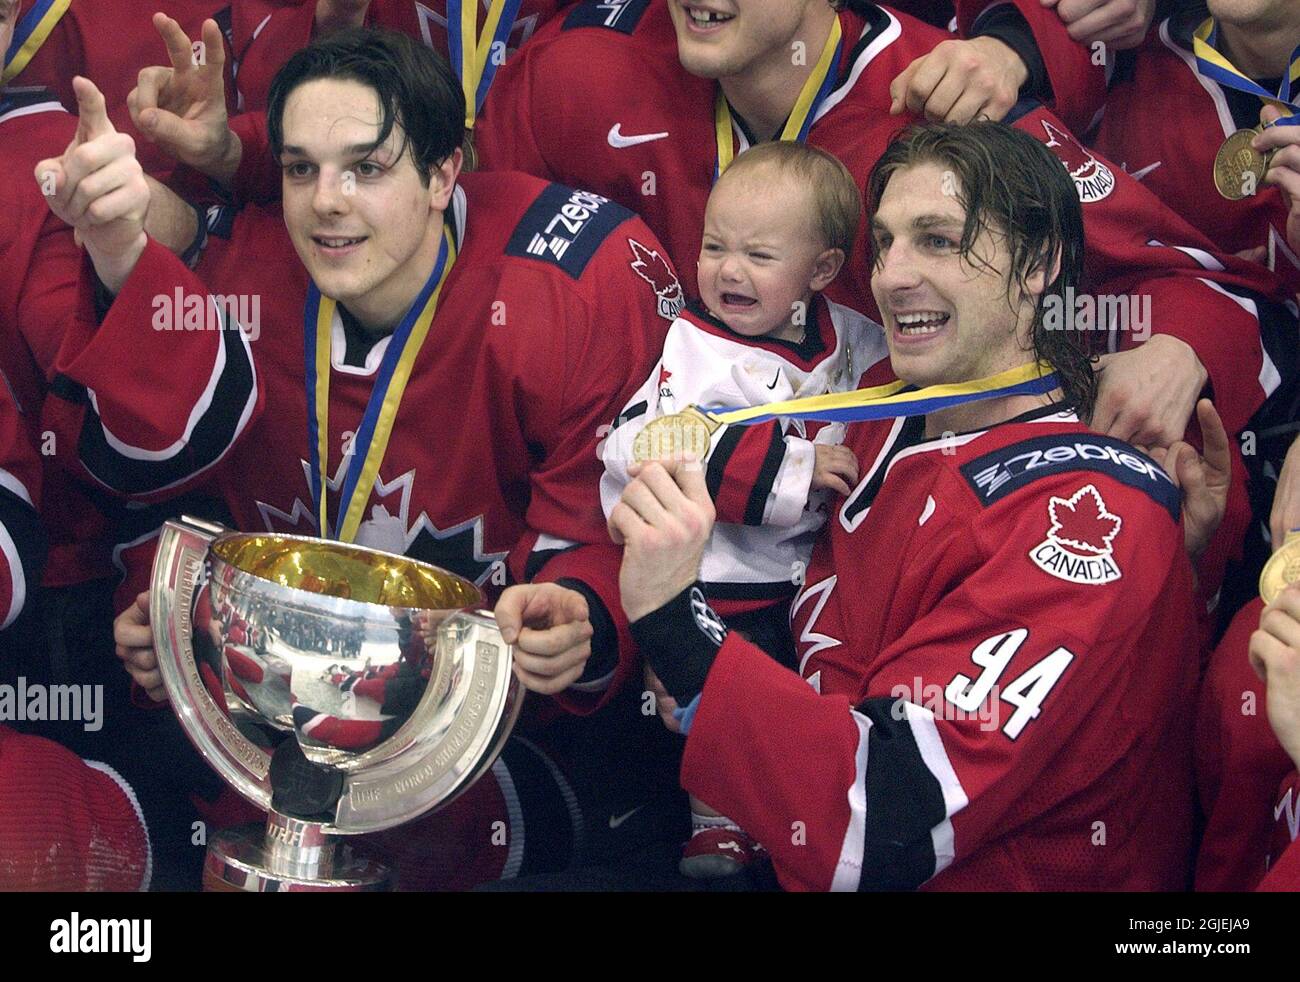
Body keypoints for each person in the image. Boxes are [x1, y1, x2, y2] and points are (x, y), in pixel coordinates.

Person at [90, 27, 683, 887]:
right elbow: (180, 509)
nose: (327, 201)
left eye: (367, 168)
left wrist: (580, 614)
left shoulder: (570, 286)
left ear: (444, 173)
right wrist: (159, 617)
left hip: (496, 740)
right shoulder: (239, 280)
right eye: (301, 170)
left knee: (430, 842)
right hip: (279, 721)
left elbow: (606, 531)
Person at [607, 121, 1215, 890]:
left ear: (1041, 263)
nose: (892, 275)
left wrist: (683, 635)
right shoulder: (870, 413)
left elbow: (884, 815)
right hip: (776, 839)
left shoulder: (1095, 511)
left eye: (937, 240)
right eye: (886, 242)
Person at [600, 141, 875, 876]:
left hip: (795, 584)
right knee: (717, 693)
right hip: (710, 580)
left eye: (758, 254)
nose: (728, 270)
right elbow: (660, 441)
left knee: (785, 703)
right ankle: (714, 823)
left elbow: (894, 376)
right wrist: (797, 466)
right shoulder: (693, 344)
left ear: (820, 271)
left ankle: (785, 823)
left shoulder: (847, 336)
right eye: (714, 246)